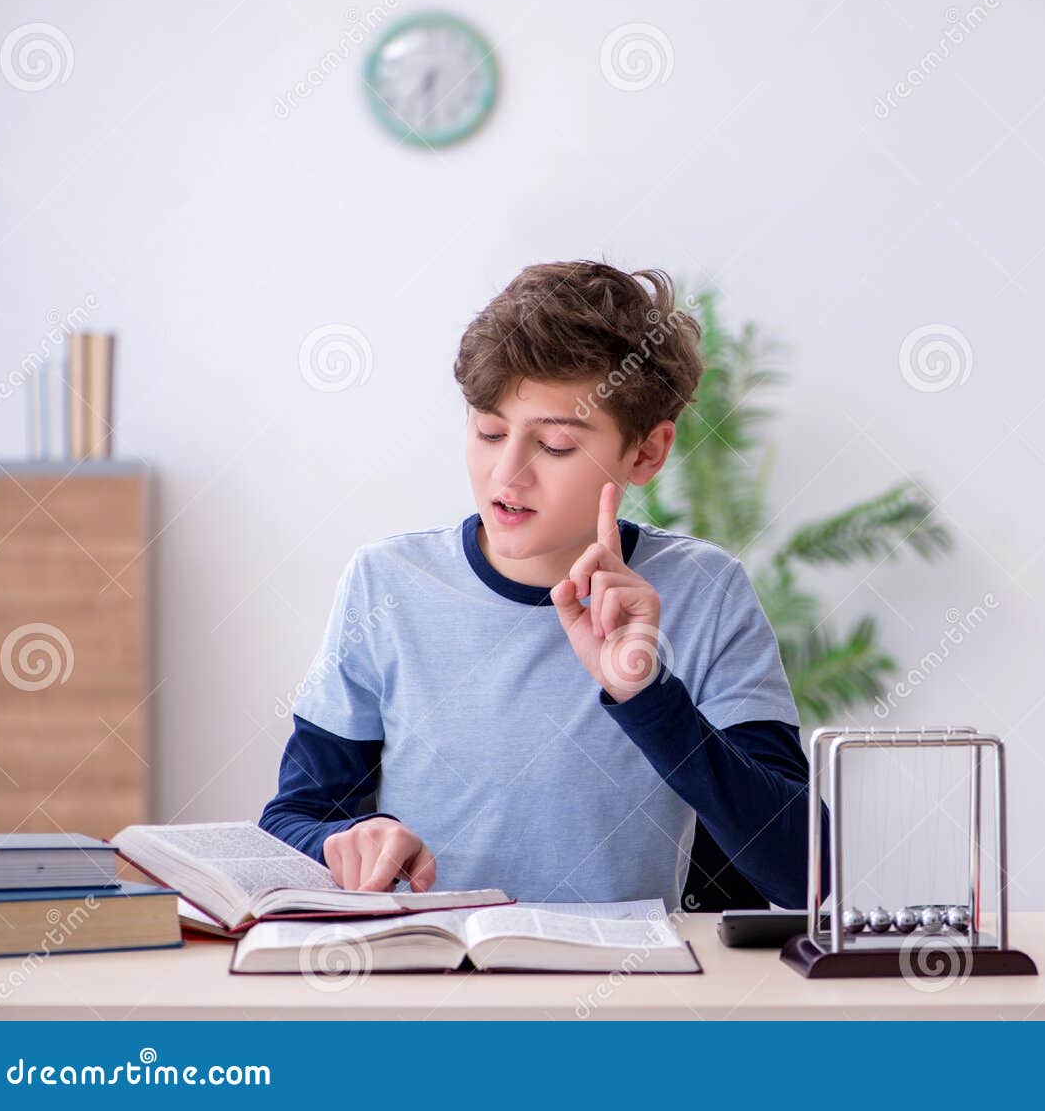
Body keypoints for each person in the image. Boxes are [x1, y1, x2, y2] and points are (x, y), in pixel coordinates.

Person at [258, 260, 828, 911]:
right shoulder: (385, 583)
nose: (507, 474)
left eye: (555, 444)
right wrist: (343, 841)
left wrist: (645, 693)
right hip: (435, 962)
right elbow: (289, 823)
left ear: (646, 452)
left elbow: (805, 874)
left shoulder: (705, 591)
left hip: (627, 969)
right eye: (489, 431)